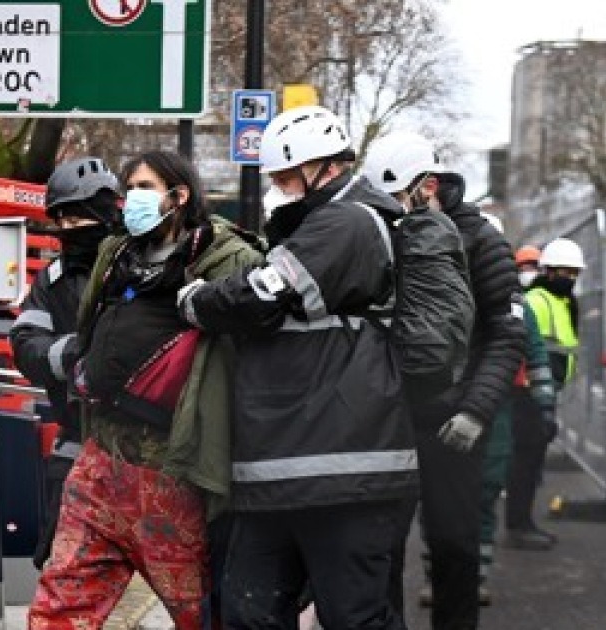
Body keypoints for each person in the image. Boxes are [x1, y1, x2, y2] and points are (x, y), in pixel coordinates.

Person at [178, 106, 414, 629]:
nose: (279, 188)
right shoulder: (315, 223)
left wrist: (195, 300)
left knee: (353, 618)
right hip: (288, 463)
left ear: (322, 167)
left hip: (342, 465)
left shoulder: (349, 221)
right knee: (248, 612)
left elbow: (260, 295)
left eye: (286, 177)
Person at [28, 150, 263, 630]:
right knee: (59, 606)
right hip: (101, 462)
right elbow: (85, 328)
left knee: (201, 611)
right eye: (129, 188)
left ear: (179, 195)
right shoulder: (116, 256)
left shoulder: (227, 258)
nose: (133, 198)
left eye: (145, 187)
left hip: (172, 470)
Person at [363, 131, 525, 628]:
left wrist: (476, 410)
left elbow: (506, 332)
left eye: (396, 197)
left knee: (455, 543)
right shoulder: (379, 232)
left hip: (453, 418)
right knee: (379, 549)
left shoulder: (480, 239)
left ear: (428, 186)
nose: (389, 209)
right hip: (387, 415)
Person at [9, 156, 119, 569]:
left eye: (77, 220)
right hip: (78, 440)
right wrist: (76, 353)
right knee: (60, 563)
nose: (69, 231)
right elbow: (26, 344)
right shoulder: (53, 280)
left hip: (148, 451)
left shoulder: (139, 266)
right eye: (63, 222)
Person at [475, 242, 556, 605]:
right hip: (455, 403)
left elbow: (535, 351)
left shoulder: (518, 305)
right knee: (443, 495)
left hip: (502, 403)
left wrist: (545, 404)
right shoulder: (448, 294)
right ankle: (438, 576)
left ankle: (476, 576)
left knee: (488, 486)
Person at [506, 237, 583, 547]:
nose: (571, 278)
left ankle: (523, 522)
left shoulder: (562, 302)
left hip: (545, 393)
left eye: (575, 273)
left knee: (531, 462)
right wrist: (540, 399)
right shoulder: (537, 300)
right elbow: (528, 349)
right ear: (548, 271)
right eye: (566, 272)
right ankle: (519, 526)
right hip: (529, 394)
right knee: (524, 462)